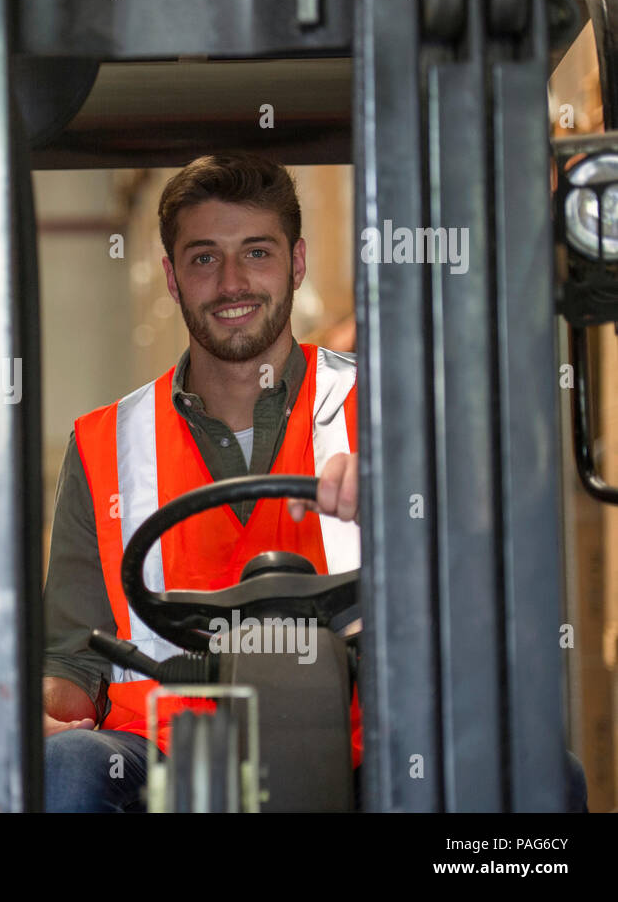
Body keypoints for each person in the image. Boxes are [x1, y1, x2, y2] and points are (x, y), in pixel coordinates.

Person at [41, 153, 588, 812]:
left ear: (297, 262)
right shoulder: (104, 443)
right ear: (171, 276)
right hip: (168, 766)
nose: (233, 281)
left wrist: (404, 508)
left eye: (258, 252)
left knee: (539, 774)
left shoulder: (393, 413)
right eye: (205, 257)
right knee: (65, 769)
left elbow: (474, 610)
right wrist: (41, 717)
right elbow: (70, 666)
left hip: (364, 750)